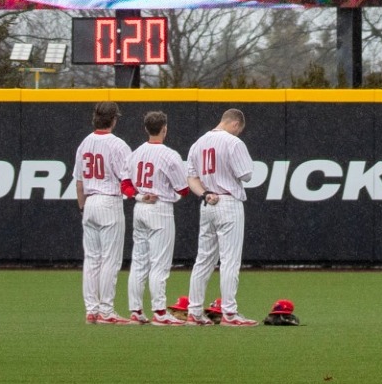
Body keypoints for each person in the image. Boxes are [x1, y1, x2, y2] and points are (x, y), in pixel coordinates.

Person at [185, 108, 257, 327]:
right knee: (230, 261)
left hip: (207, 201)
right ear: (235, 124)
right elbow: (247, 174)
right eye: (239, 130)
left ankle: (194, 312)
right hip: (228, 201)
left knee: (204, 259)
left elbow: (191, 178)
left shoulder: (198, 143)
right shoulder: (233, 143)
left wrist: (205, 193)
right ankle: (229, 313)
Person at [126, 110, 191, 325]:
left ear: (146, 129)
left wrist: (139, 195)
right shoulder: (169, 154)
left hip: (140, 207)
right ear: (165, 129)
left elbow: (125, 184)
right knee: (159, 264)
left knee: (139, 262)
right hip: (160, 209)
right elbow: (183, 189)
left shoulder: (135, 153)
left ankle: (135, 310)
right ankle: (160, 312)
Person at [74, 101, 136, 325]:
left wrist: (82, 208)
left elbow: (79, 183)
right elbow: (128, 179)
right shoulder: (118, 145)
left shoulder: (85, 143)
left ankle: (91, 310)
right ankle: (106, 311)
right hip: (109, 201)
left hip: (89, 202)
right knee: (110, 259)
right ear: (114, 119)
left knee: (92, 260)